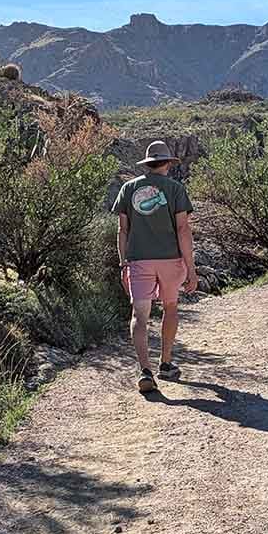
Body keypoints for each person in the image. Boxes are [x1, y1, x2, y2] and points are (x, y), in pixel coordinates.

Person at [112, 141, 198, 393]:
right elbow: (183, 229)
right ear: (168, 164)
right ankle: (166, 363)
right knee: (170, 308)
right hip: (171, 260)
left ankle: (144, 370)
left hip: (139, 260)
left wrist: (123, 262)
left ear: (148, 164)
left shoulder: (128, 189)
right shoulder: (175, 189)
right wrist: (191, 268)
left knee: (139, 315)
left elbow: (122, 230)